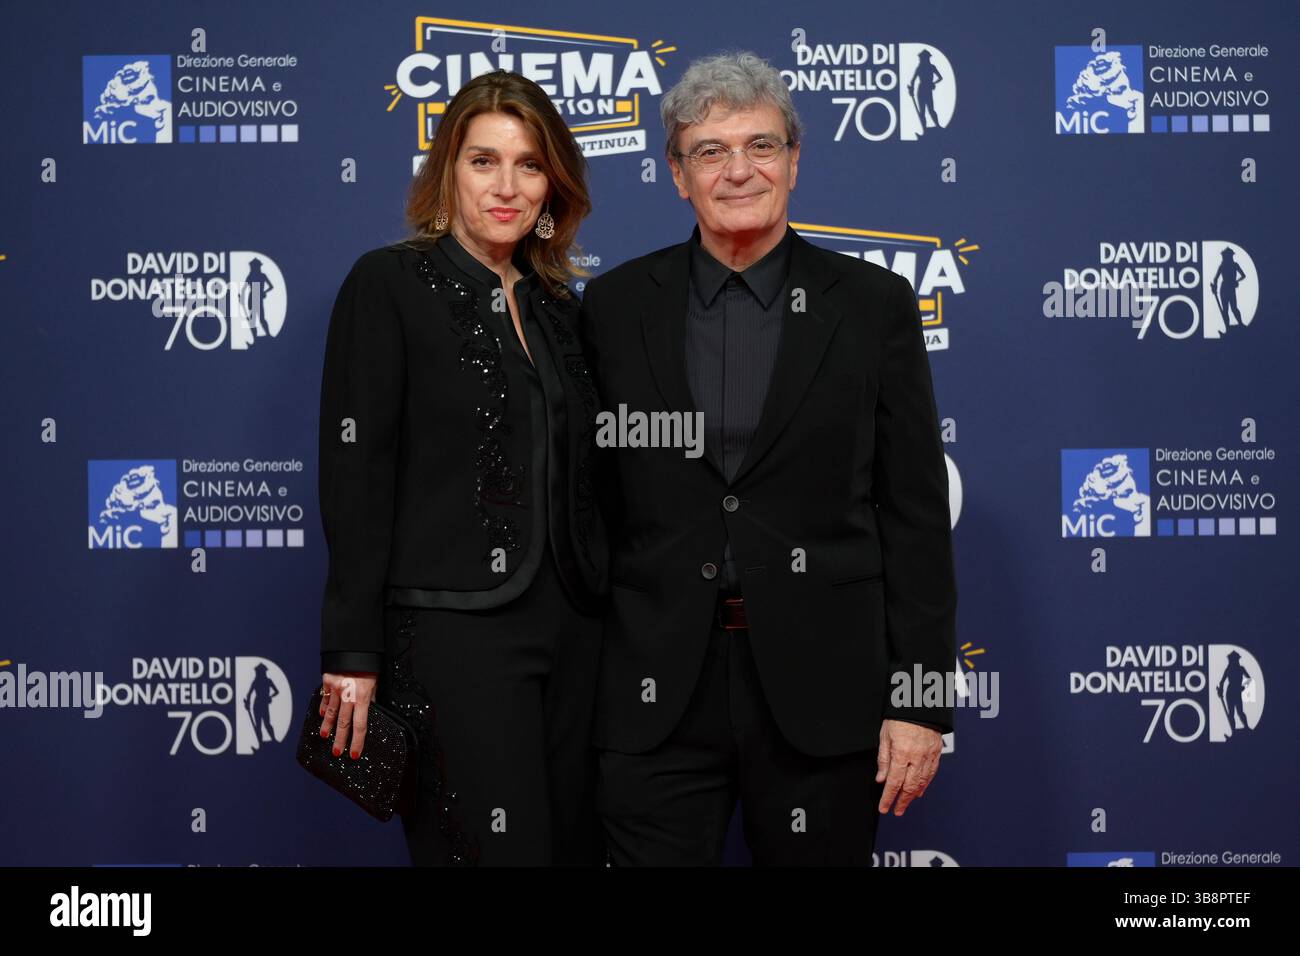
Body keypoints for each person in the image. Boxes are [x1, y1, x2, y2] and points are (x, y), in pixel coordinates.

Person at [580, 51, 958, 865]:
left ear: (794, 160)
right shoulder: (612, 308)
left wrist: (922, 701)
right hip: (655, 694)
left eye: (760, 145)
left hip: (826, 692)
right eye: (710, 151)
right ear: (677, 175)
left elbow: (916, 514)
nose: (738, 169)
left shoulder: (872, 306)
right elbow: (589, 507)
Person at [315, 69, 607, 865]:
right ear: (447, 170)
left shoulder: (562, 308)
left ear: (555, 184)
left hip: (577, 632)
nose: (507, 186)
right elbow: (356, 472)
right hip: (451, 634)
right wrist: (352, 653)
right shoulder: (389, 285)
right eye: (484, 161)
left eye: (529, 164)